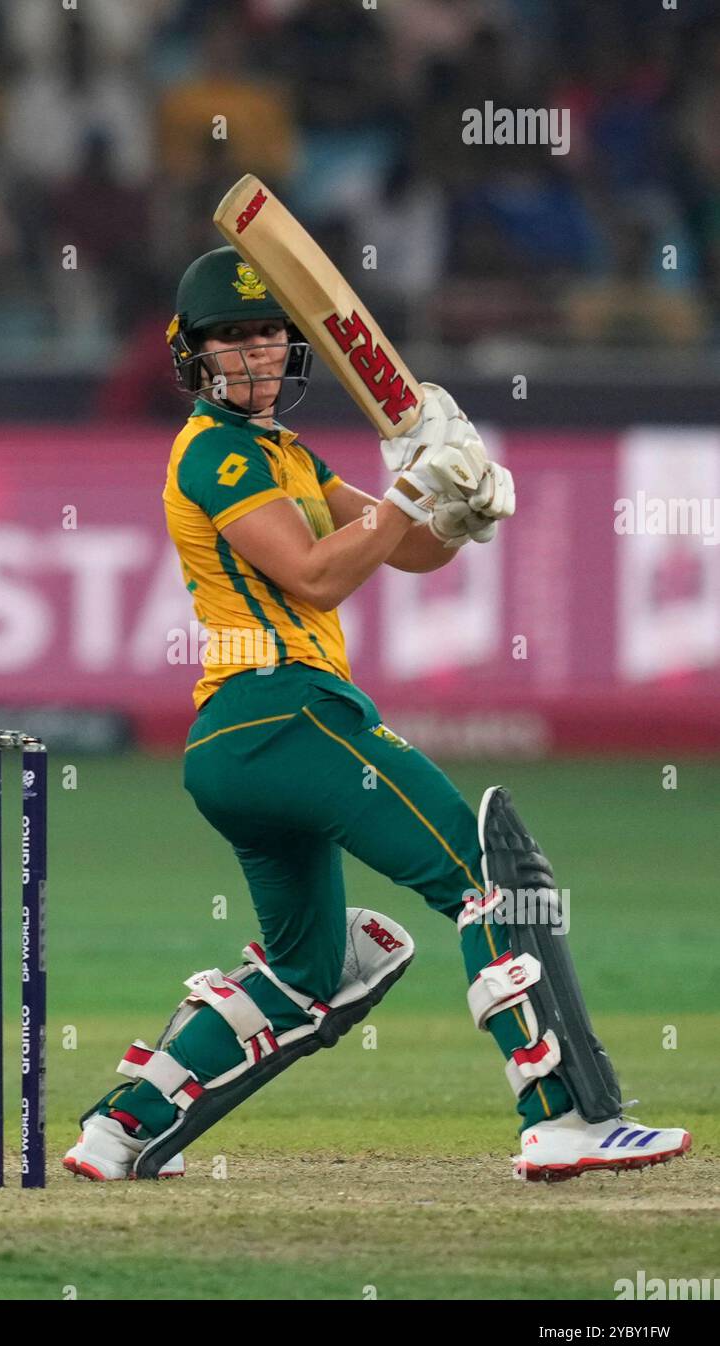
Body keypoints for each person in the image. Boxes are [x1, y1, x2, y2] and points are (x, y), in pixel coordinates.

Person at [64, 245, 691, 1183]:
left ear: (292, 343)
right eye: (228, 338)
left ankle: (118, 1134)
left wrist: (456, 505)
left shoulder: (285, 453)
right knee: (487, 869)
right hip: (285, 709)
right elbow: (320, 574)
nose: (253, 353)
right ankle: (567, 1119)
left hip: (243, 750)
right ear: (190, 355)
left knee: (316, 970)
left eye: (267, 332)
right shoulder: (216, 451)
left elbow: (401, 551)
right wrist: (409, 489)